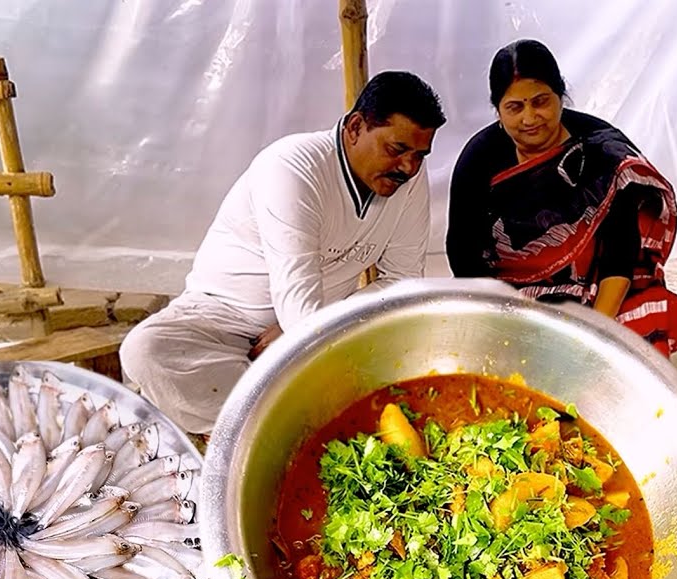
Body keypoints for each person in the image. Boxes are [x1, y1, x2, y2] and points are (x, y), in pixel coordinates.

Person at [121, 71, 446, 434]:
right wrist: (299, 328)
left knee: (413, 331)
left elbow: (400, 282)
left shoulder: (410, 178)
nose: (409, 167)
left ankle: (269, 416)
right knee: (145, 350)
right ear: (355, 127)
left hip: (319, 324)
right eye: (397, 149)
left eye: (420, 155)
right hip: (220, 320)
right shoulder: (292, 167)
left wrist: (301, 327)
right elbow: (297, 302)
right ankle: (288, 418)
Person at [446, 39, 677, 356]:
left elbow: (620, 254)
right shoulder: (478, 160)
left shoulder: (603, 153)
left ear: (561, 97)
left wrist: (595, 333)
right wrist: (501, 322)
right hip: (510, 297)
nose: (529, 118)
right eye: (515, 107)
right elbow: (463, 256)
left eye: (541, 101)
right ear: (498, 111)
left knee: (660, 313)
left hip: (594, 289)